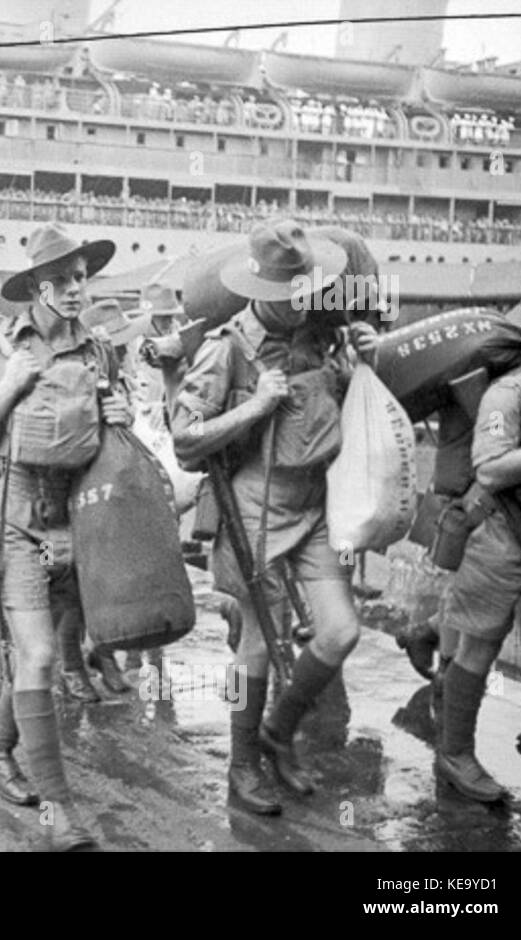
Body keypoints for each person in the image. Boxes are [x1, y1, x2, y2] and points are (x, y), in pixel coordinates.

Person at [170, 220, 377, 816]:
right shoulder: (226, 348)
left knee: (340, 633)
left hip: (313, 507)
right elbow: (186, 440)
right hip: (253, 508)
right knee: (255, 647)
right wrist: (256, 406)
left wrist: (366, 359)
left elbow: (345, 404)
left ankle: (278, 731)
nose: (299, 305)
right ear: (259, 290)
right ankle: (242, 765)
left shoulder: (321, 336)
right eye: (288, 296)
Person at [0, 223, 131, 850]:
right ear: (37, 288)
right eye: (62, 280)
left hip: (77, 513)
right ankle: (60, 814)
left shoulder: (100, 349)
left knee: (38, 650)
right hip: (17, 517)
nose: (76, 290)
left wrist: (120, 416)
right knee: (42, 656)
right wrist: (9, 387)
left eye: (82, 278)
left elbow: (114, 420)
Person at [432, 290, 521, 801]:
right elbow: (490, 468)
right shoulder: (508, 394)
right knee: (478, 647)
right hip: (506, 533)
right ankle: (454, 754)